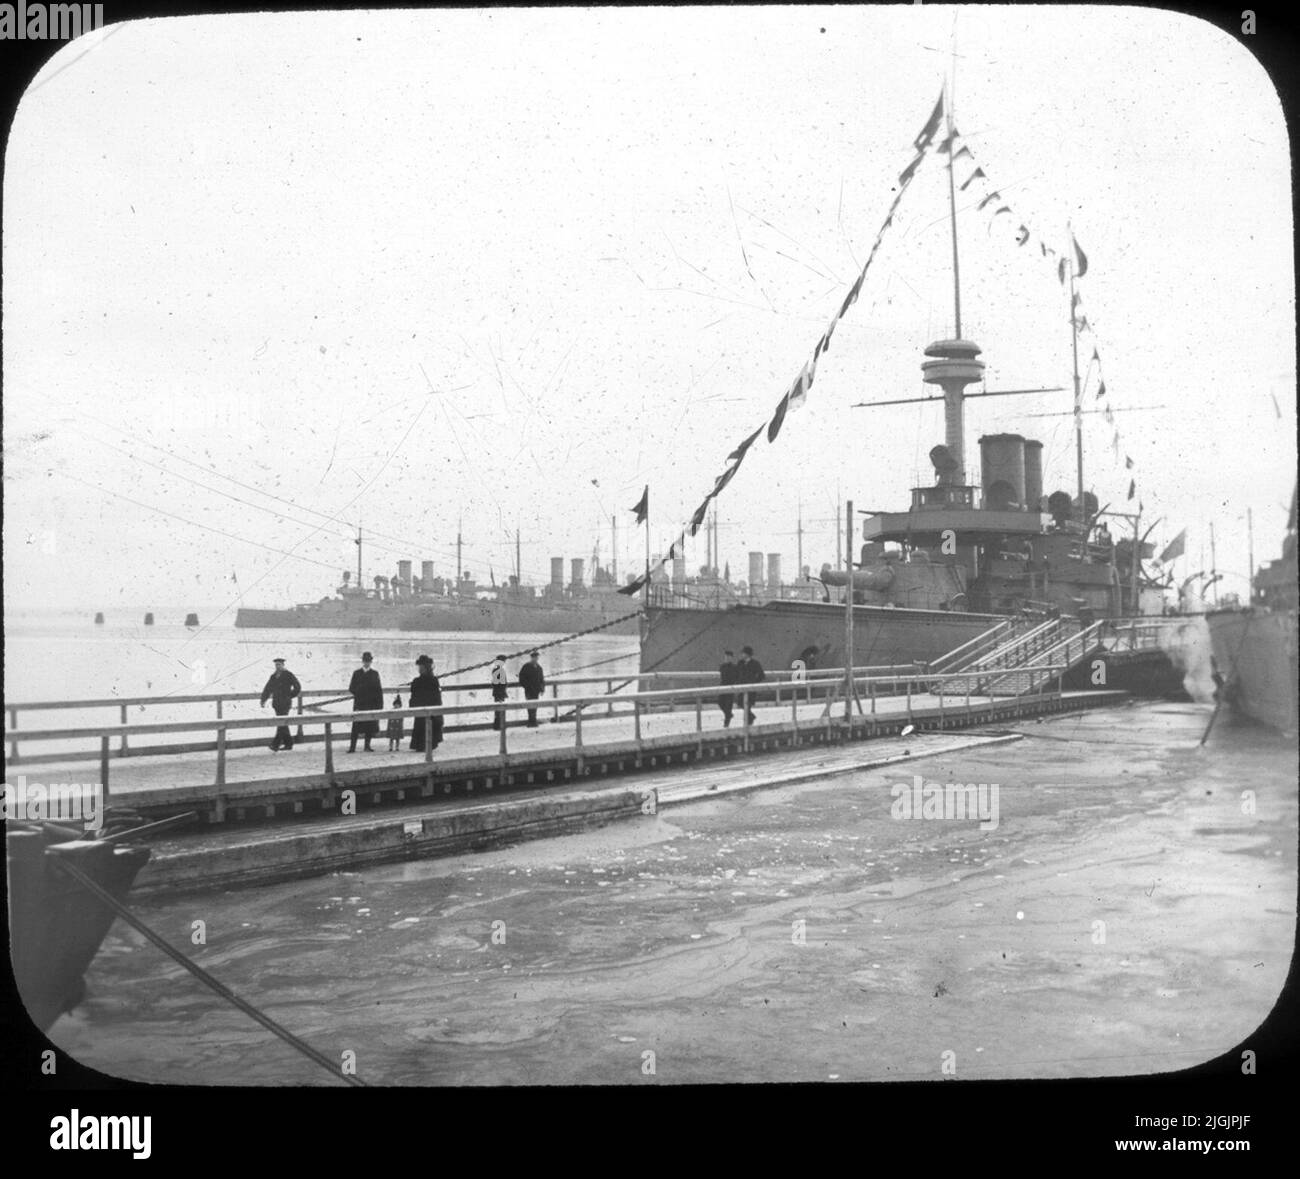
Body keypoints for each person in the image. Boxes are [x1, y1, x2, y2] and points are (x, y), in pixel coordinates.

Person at [260, 658, 301, 751]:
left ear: (283, 665)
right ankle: (288, 743)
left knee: (281, 722)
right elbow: (267, 689)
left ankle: (276, 744)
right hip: (277, 703)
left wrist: (290, 695)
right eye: (276, 665)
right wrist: (263, 699)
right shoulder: (273, 676)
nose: (278, 666)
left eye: (279, 664)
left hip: (285, 703)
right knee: (282, 723)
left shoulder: (288, 675)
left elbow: (297, 687)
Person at [347, 651, 383, 753]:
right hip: (360, 703)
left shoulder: (375, 674)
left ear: (371, 662)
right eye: (365, 661)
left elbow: (378, 690)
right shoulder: (357, 673)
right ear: (362, 661)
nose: (367, 663)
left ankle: (367, 746)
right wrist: (360, 692)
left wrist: (379, 705)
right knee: (356, 726)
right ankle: (352, 747)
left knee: (369, 725)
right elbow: (351, 688)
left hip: (371, 704)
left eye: (369, 661)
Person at [408, 655, 443, 753]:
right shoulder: (418, 681)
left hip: (429, 710)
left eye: (421, 667)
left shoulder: (432, 681)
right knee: (421, 726)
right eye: (419, 667)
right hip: (421, 710)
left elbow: (436, 697)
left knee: (427, 726)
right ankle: (421, 746)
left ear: (426, 667)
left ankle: (426, 746)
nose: (419, 669)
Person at [737, 645, 765, 725]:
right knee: (740, 703)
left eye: (743, 653)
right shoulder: (740, 663)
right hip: (742, 688)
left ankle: (748, 724)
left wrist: (754, 682)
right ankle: (751, 718)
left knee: (747, 705)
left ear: (747, 654)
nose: (742, 655)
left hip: (751, 689)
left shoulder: (755, 663)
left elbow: (762, 675)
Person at [518, 650, 546, 727]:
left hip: (536, 690)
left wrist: (542, 689)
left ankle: (534, 722)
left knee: (535, 706)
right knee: (530, 706)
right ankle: (531, 722)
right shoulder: (526, 666)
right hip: (529, 690)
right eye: (534, 657)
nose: (536, 659)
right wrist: (527, 686)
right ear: (531, 658)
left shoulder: (539, 668)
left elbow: (542, 679)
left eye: (537, 657)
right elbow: (521, 679)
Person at [717, 649, 739, 727]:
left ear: (731, 658)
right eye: (725, 657)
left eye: (728, 657)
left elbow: (737, 677)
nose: (726, 658)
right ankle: (729, 715)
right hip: (723, 687)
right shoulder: (722, 666)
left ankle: (726, 723)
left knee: (728, 705)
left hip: (730, 688)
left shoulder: (734, 667)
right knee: (720, 703)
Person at [490, 653, 509, 730]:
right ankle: (499, 726)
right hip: (499, 692)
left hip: (498, 692)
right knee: (499, 710)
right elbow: (499, 683)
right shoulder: (499, 670)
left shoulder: (497, 669)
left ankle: (498, 725)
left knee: (498, 710)